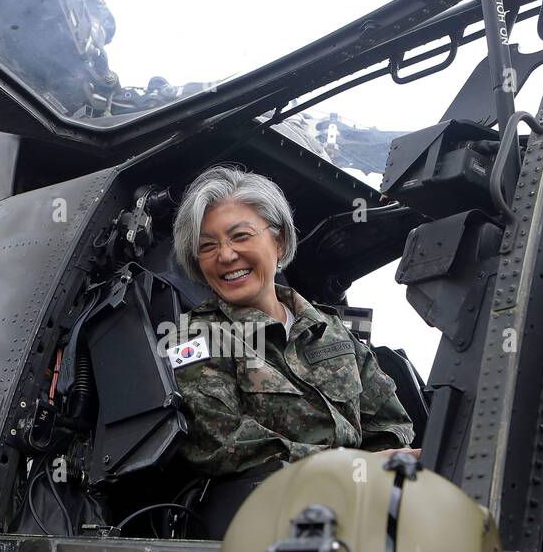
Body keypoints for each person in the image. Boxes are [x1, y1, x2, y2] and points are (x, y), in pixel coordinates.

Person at [170, 165, 417, 480]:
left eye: (240, 236)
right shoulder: (195, 339)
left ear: (279, 242)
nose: (226, 255)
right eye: (207, 246)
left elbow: (390, 421)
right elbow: (219, 444)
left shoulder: (332, 329)